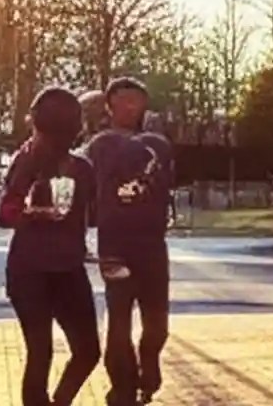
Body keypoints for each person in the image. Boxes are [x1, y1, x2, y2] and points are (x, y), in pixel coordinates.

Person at [0, 87, 101, 406]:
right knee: (40, 351)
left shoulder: (82, 169)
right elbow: (5, 213)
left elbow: (92, 214)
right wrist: (32, 212)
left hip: (68, 269)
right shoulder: (26, 163)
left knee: (87, 350)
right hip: (30, 271)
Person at [84, 77, 174, 406]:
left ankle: (148, 363)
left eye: (136, 100)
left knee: (157, 323)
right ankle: (121, 387)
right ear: (109, 107)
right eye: (122, 101)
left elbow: (168, 184)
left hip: (152, 245)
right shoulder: (99, 146)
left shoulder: (159, 145)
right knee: (119, 320)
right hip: (115, 246)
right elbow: (83, 190)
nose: (130, 106)